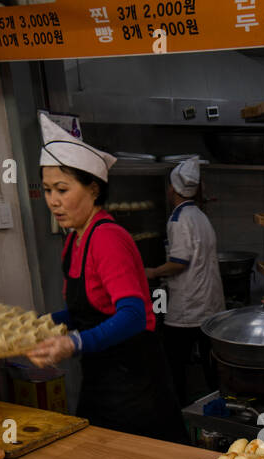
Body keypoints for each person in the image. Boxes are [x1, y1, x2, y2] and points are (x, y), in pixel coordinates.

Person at [26, 114, 184, 442]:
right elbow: (92, 309)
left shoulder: (107, 238)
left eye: (62, 189)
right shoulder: (74, 240)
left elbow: (133, 315)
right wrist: (48, 323)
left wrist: (74, 342)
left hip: (134, 382)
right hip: (102, 376)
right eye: (47, 190)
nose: (53, 201)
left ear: (94, 189)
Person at [145, 156, 225, 404]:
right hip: (209, 303)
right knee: (211, 365)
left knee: (174, 364)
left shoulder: (178, 220)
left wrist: (154, 272)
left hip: (188, 308)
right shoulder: (200, 216)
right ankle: (218, 405)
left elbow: (179, 262)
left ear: (174, 188)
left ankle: (179, 411)